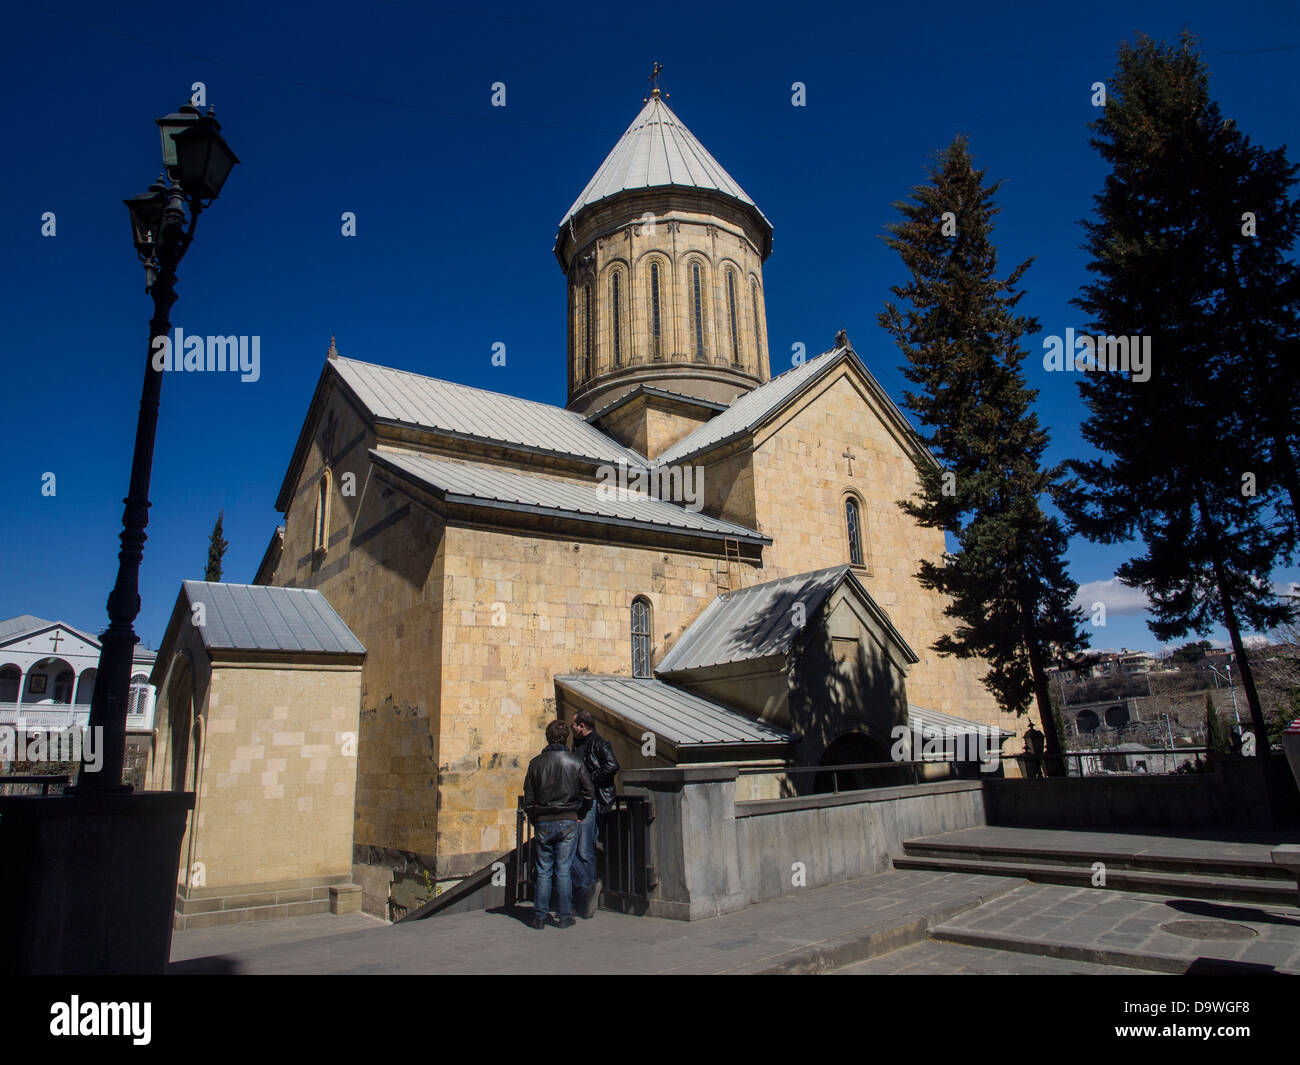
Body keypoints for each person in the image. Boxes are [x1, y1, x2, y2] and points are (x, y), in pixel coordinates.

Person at [522, 719, 593, 930]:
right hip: (568, 820)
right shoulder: (575, 761)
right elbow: (589, 792)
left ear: (547, 737)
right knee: (563, 869)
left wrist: (535, 816)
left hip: (544, 821)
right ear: (566, 737)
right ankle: (564, 916)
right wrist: (579, 812)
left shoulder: (535, 763)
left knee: (544, 869)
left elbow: (528, 797)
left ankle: (539, 916)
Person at [569, 709, 620, 918]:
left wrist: (589, 781)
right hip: (581, 801)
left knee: (584, 848)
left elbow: (612, 765)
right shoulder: (578, 744)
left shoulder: (598, 743)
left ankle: (586, 895)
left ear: (582, 726)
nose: (571, 728)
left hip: (592, 802)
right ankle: (583, 893)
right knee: (578, 847)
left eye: (574, 724)